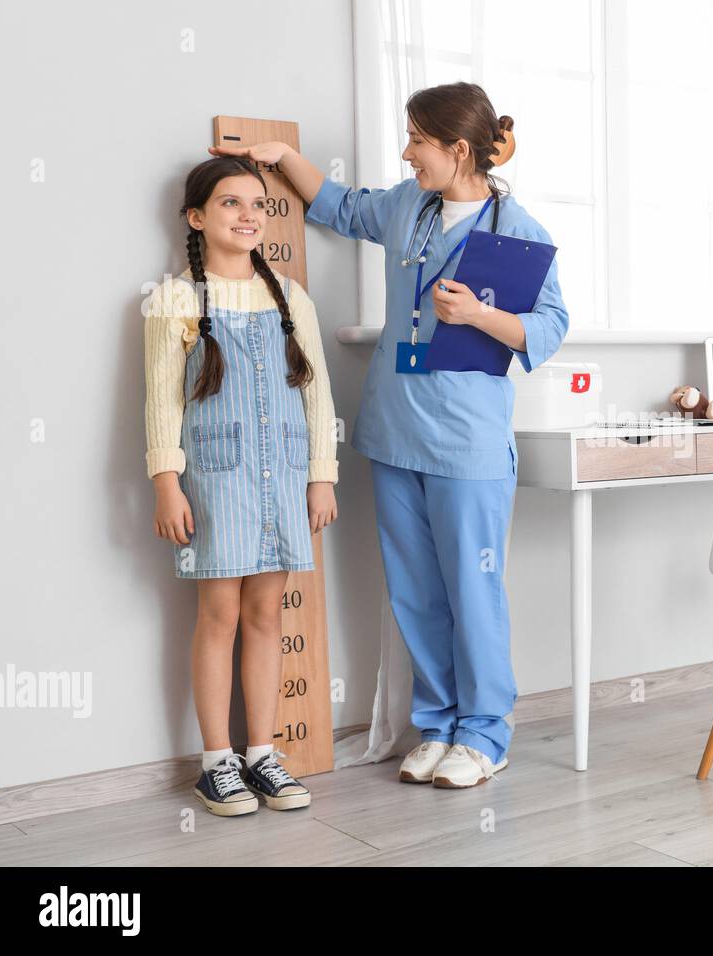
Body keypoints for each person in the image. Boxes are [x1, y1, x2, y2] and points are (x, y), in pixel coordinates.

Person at [212, 81, 568, 788]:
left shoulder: (518, 230)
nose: (407, 154)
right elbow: (343, 206)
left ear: (458, 148)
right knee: (414, 592)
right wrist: (285, 157)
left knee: (474, 592)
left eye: (416, 140)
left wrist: (477, 317)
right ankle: (436, 725)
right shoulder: (412, 206)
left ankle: (485, 734)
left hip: (466, 443)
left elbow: (550, 328)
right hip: (395, 432)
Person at [144, 156, 339, 815]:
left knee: (265, 615)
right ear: (198, 218)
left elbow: (316, 395)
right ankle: (215, 762)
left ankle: (262, 755)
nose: (249, 214)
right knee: (218, 616)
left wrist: (321, 477)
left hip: (283, 478)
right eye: (231, 203)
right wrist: (166, 482)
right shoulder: (173, 299)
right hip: (215, 480)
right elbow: (162, 401)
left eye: (258, 203)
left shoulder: (290, 295)